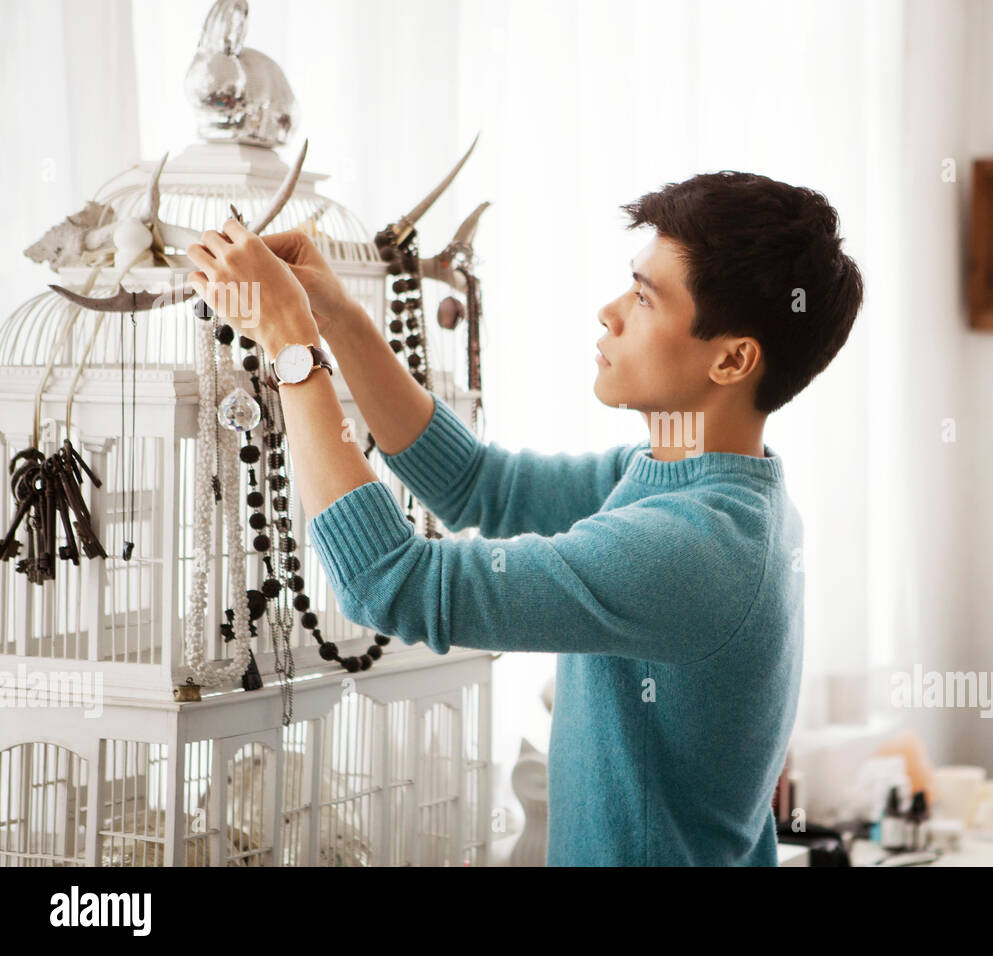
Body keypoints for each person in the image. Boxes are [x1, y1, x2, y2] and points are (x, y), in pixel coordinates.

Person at [185, 170, 863, 866]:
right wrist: (337, 318)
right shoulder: (694, 482)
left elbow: (389, 580)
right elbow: (477, 485)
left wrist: (292, 348)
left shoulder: (694, 549)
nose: (609, 312)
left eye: (643, 298)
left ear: (732, 359)